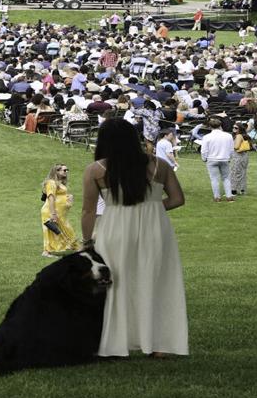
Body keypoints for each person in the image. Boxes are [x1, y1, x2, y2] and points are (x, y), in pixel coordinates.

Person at [80, 118, 187, 358]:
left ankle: (117, 342)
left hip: (115, 228)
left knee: (117, 284)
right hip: (155, 228)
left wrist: (87, 241)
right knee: (158, 281)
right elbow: (177, 199)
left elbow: (88, 211)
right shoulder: (160, 165)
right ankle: (159, 344)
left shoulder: (96, 170)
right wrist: (151, 208)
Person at [41, 164, 80, 257]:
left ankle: (76, 247)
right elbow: (51, 198)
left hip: (60, 213)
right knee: (51, 231)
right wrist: (53, 213)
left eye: (67, 170)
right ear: (56, 171)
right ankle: (46, 251)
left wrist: (69, 198)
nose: (66, 172)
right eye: (64, 170)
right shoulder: (51, 182)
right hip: (51, 212)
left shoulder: (59, 183)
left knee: (66, 229)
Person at [199, 118, 235, 202]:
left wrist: (204, 159)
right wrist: (229, 157)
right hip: (224, 159)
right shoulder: (228, 136)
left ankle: (217, 197)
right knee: (226, 178)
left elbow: (204, 150)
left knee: (214, 179)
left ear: (210, 127)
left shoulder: (207, 137)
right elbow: (231, 149)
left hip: (211, 159)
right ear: (220, 126)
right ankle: (229, 196)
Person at [230, 122, 250, 196]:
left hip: (238, 156)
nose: (234, 129)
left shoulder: (238, 136)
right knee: (242, 173)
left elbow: (236, 147)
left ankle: (233, 191)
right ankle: (242, 190)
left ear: (240, 129)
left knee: (235, 173)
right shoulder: (244, 135)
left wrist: (229, 145)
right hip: (244, 156)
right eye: (233, 127)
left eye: (236, 128)